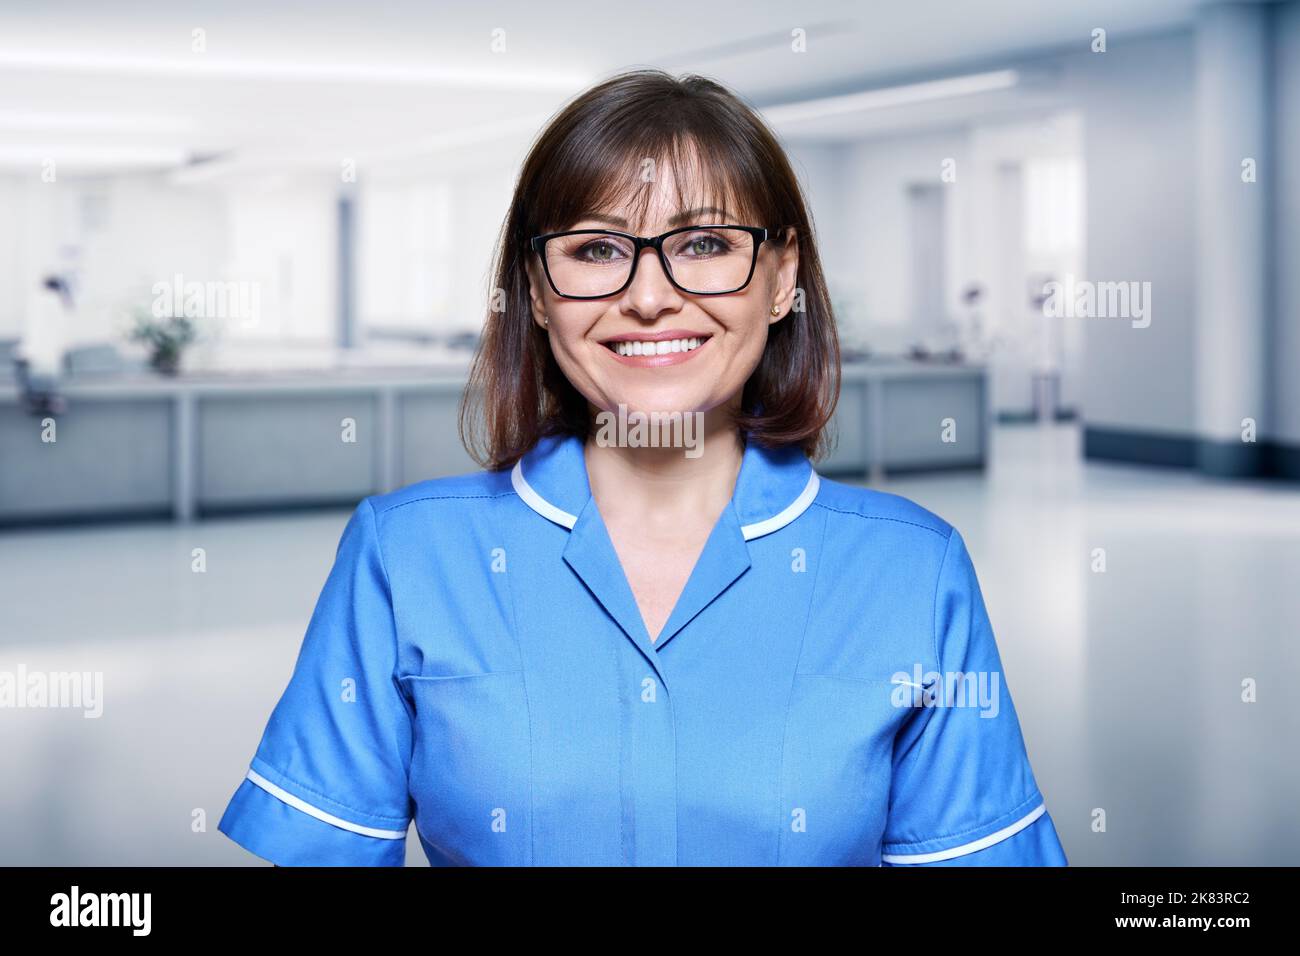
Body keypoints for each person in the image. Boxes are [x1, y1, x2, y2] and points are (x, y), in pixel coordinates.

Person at [218, 69, 1068, 867]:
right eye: (595, 250)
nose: (650, 295)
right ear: (538, 291)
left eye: (702, 243)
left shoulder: (913, 571)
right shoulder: (403, 557)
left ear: (782, 280)